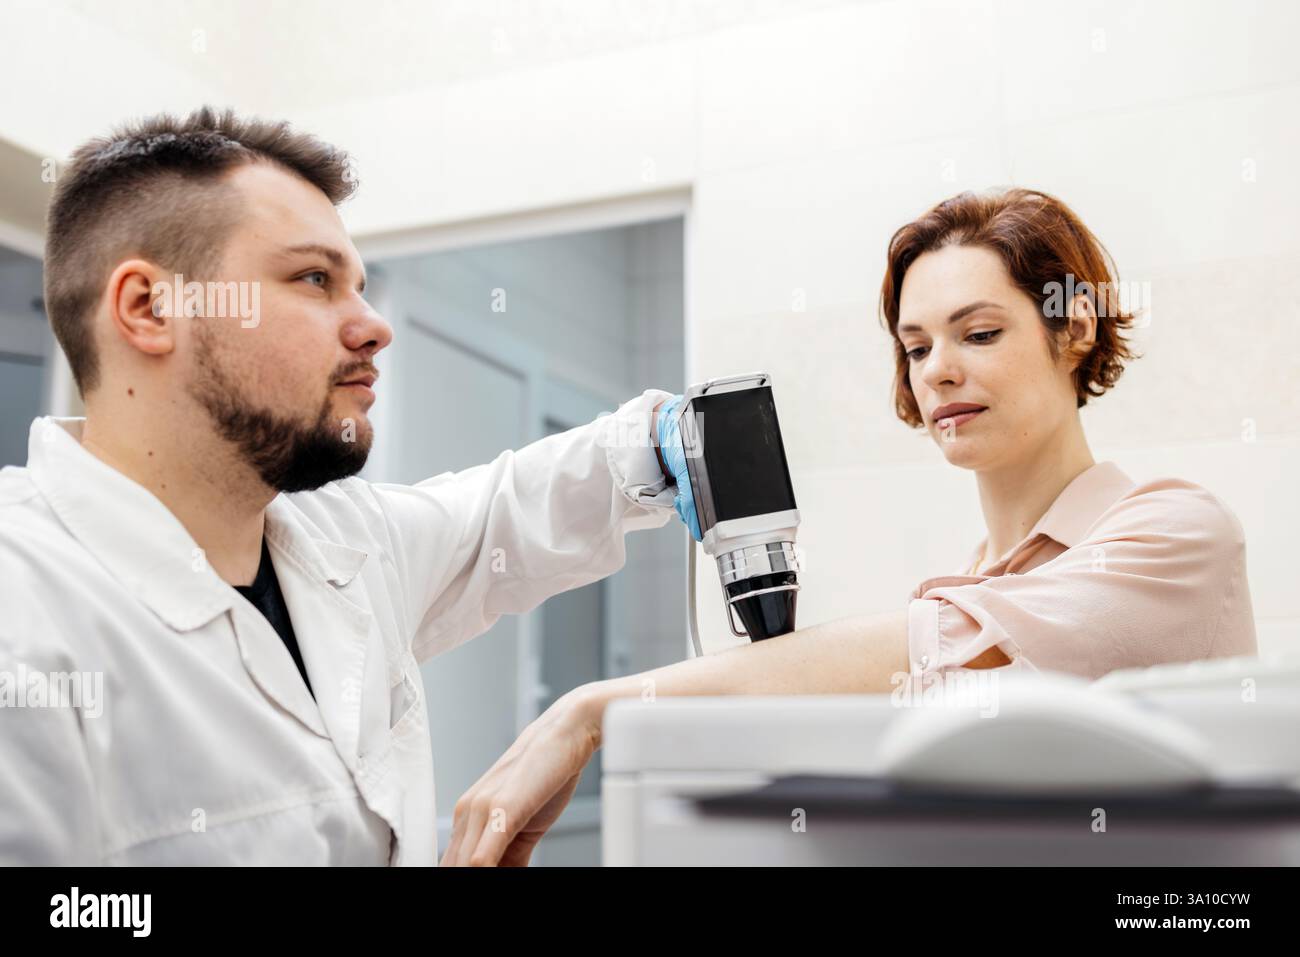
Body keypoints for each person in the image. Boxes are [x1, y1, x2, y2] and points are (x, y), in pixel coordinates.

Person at [441, 187, 1257, 866]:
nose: (937, 368)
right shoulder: (978, 578)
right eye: (915, 345)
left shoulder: (1176, 535)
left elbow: (937, 642)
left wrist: (588, 710)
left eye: (978, 333)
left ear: (1074, 327)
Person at [0, 106, 698, 865]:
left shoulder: (345, 542)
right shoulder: (26, 612)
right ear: (150, 307)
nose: (373, 325)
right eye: (314, 278)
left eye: (359, 286)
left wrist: (668, 439)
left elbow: (510, 510)